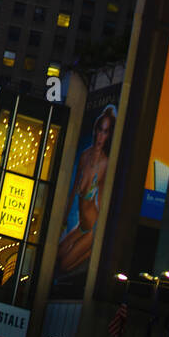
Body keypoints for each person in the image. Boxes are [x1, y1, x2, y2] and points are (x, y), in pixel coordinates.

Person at [56, 104, 115, 272]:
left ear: (109, 135)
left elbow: (103, 199)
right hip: (81, 225)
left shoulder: (105, 164)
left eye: (105, 132)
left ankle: (90, 252)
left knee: (63, 265)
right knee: (58, 254)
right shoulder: (84, 156)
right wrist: (63, 220)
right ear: (95, 130)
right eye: (99, 130)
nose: (100, 136)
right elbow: (73, 189)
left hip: (92, 227)